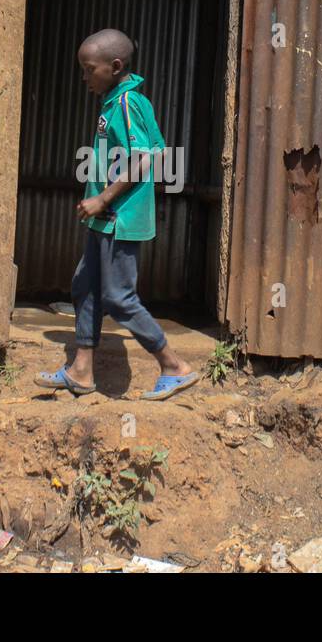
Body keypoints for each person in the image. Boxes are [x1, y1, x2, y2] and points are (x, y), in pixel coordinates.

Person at [34, 29, 197, 400]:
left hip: (117, 218)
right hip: (103, 218)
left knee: (119, 297)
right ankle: (81, 371)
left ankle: (174, 365)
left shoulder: (128, 104)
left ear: (115, 66)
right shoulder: (113, 102)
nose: (84, 77)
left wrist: (103, 199)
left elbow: (149, 156)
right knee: (85, 285)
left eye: (89, 69)